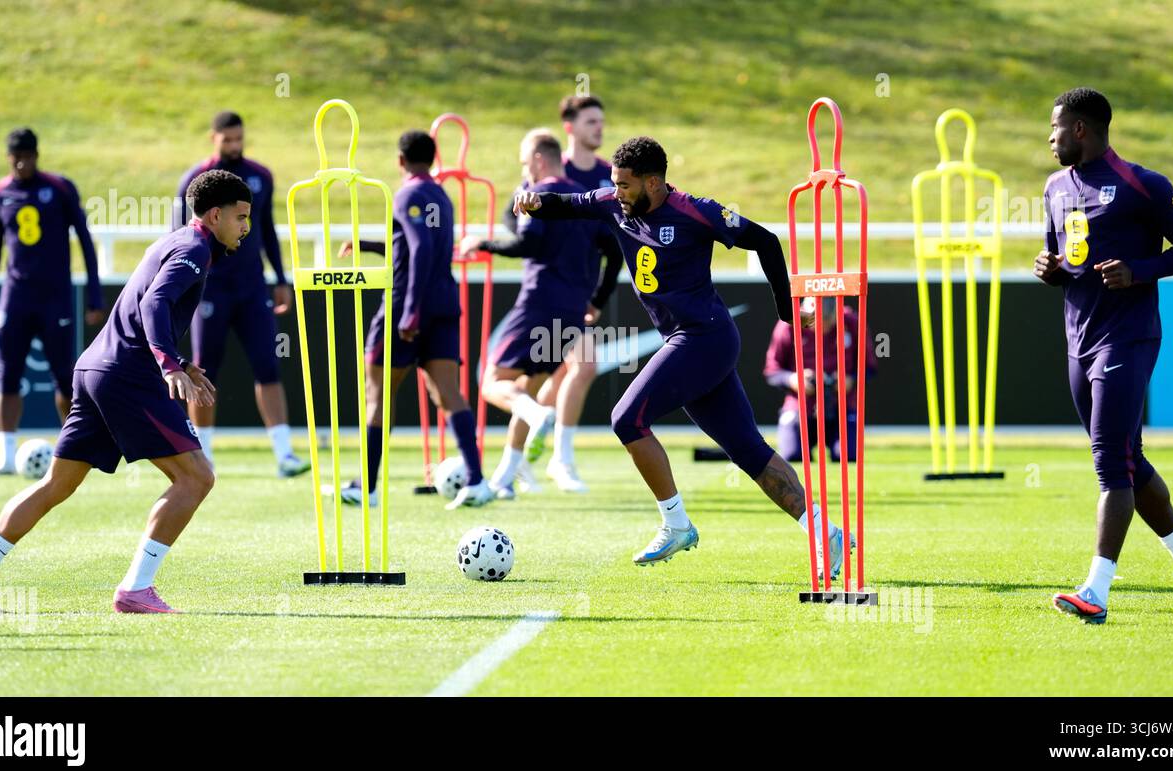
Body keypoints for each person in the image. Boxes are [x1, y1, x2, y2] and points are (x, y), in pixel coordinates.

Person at [513, 136, 847, 575]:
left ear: (653, 183)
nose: (616, 192)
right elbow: (569, 204)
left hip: (704, 338)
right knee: (748, 451)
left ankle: (676, 524)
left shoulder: (696, 210)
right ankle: (825, 533)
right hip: (689, 341)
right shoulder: (614, 203)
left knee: (626, 419)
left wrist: (787, 311)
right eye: (614, 183)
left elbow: (765, 241)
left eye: (625, 185)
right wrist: (535, 202)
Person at [0, 170, 250, 614]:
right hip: (128, 376)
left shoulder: (174, 242)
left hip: (94, 368)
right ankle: (136, 589)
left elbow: (142, 308)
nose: (246, 227)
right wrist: (169, 364)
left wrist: (181, 362)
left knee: (57, 484)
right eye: (241, 217)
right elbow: (154, 303)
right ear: (214, 215)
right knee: (196, 478)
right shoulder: (194, 249)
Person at [1034, 87, 1173, 623]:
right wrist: (1049, 269)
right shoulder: (1054, 187)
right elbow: (1064, 258)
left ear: (1081, 129)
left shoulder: (1144, 185)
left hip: (1128, 336)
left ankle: (1096, 591)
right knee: (1128, 461)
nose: (1050, 137)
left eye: (1056, 127)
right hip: (1079, 340)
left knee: (1110, 462)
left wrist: (1138, 271)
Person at [337, 130, 491, 510]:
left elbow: (420, 248)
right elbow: (417, 245)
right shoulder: (442, 196)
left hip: (406, 306)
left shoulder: (407, 194)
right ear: (434, 158)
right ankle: (476, 480)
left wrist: (409, 311)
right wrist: (369, 245)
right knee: (448, 393)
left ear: (400, 161)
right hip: (444, 304)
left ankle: (366, 486)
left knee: (378, 396)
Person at [460, 130, 608, 499]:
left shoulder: (538, 195)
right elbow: (615, 251)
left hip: (539, 302)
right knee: (526, 388)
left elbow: (528, 242)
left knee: (492, 383)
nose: (525, 171)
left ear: (540, 160)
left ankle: (538, 415)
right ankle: (503, 478)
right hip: (573, 311)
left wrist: (482, 244)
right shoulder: (584, 198)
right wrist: (598, 299)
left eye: (526, 163)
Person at [175, 111, 308, 477]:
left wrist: (280, 277)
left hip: (251, 287)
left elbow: (267, 229)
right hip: (210, 288)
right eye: (227, 140)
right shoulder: (195, 181)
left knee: (268, 365)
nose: (234, 146)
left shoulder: (260, 176)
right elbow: (179, 237)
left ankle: (284, 454)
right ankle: (202, 455)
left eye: (239, 138)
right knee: (203, 369)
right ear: (213, 138)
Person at [0, 128, 104, 476]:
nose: (22, 163)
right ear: (8, 157)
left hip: (55, 299)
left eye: (28, 157)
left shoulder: (59, 188)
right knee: (7, 375)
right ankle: (5, 457)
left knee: (64, 377)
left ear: (37, 155)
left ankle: (75, 453)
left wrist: (94, 294)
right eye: (16, 158)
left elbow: (86, 241)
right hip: (15, 298)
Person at [763, 298, 875, 463]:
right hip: (800, 407)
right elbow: (771, 370)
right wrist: (793, 379)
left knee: (848, 456)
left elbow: (869, 367)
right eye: (816, 322)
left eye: (829, 321)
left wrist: (850, 380)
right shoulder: (788, 323)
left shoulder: (852, 322)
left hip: (841, 407)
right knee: (792, 456)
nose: (824, 328)